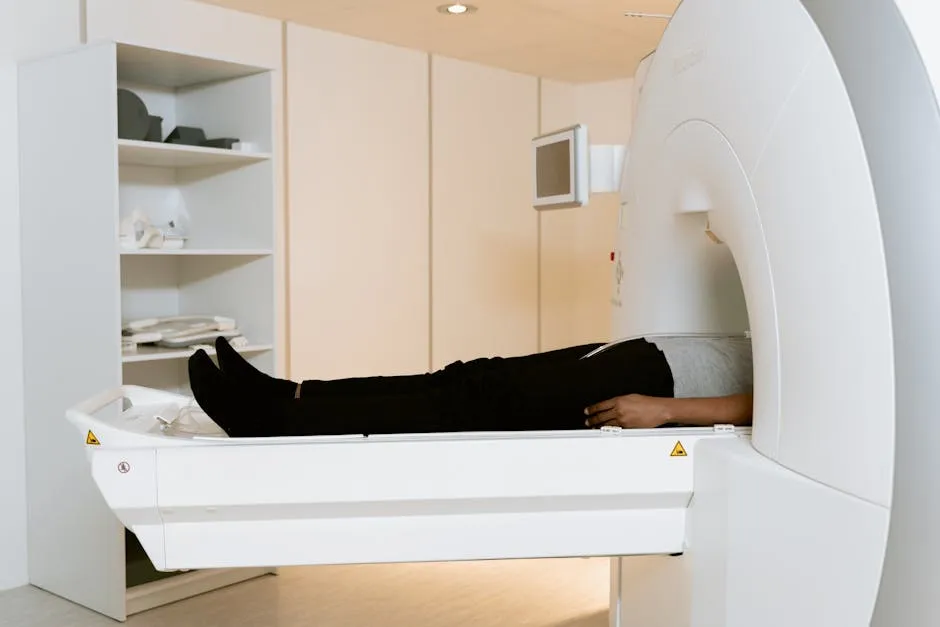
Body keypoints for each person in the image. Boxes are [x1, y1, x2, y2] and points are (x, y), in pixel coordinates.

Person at [187, 333, 754, 438]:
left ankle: (273, 420)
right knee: (467, 377)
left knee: (466, 401)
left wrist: (668, 410)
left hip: (663, 382)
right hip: (650, 352)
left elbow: (787, 401)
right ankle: (287, 393)